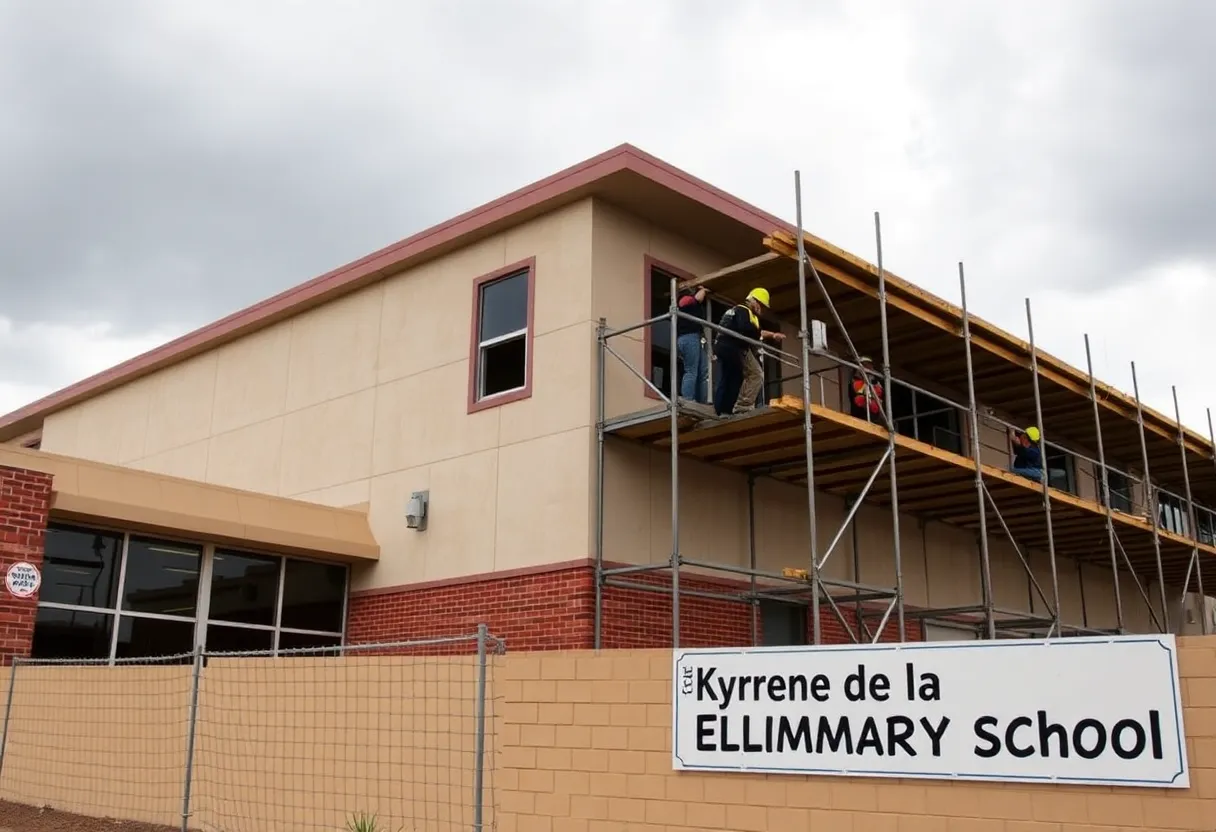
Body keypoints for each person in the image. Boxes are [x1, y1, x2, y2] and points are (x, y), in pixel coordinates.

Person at [712, 287, 785, 416]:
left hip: (726, 345)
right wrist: (758, 335)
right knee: (734, 378)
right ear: (754, 301)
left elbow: (756, 332)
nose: (760, 308)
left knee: (731, 377)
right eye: (760, 305)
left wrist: (772, 335)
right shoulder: (743, 310)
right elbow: (746, 328)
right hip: (732, 347)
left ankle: (726, 408)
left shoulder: (740, 312)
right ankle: (732, 408)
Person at [675, 287, 709, 403]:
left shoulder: (692, 305)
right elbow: (695, 299)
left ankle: (701, 401)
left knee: (703, 371)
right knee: (691, 370)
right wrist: (703, 290)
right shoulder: (684, 300)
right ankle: (688, 400)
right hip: (688, 337)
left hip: (695, 337)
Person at [848, 356, 883, 422]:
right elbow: (857, 397)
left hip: (874, 415)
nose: (869, 368)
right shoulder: (855, 382)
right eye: (865, 365)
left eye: (870, 365)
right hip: (860, 415)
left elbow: (880, 394)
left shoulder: (875, 382)